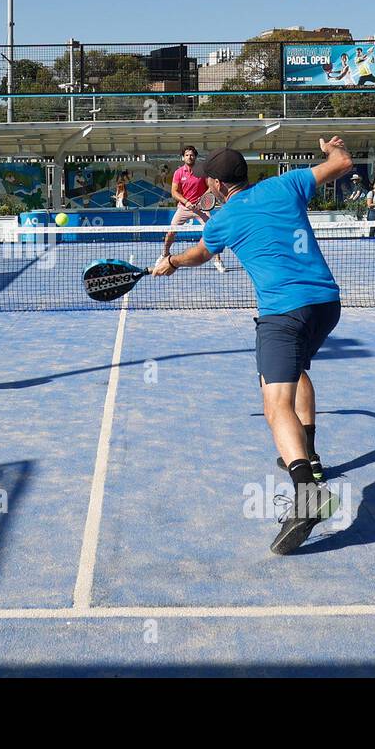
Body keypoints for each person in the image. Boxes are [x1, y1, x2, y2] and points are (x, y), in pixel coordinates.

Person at [151, 138, 355, 554]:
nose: (207, 189)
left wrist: (170, 262)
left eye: (209, 183)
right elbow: (343, 162)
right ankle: (309, 456)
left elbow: (200, 255)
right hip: (326, 305)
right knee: (297, 371)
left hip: (283, 314)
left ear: (218, 186)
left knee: (274, 402)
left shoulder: (222, 220)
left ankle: (308, 493)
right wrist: (331, 148)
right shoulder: (288, 184)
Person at [160, 146, 206, 263]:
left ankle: (217, 259)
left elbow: (211, 187)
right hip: (184, 208)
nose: (189, 157)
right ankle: (164, 254)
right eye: (186, 155)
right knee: (171, 232)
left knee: (212, 231)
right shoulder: (178, 173)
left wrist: (202, 200)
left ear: (195, 157)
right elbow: (174, 192)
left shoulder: (202, 171)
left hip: (201, 208)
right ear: (183, 157)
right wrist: (186, 202)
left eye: (191, 155)